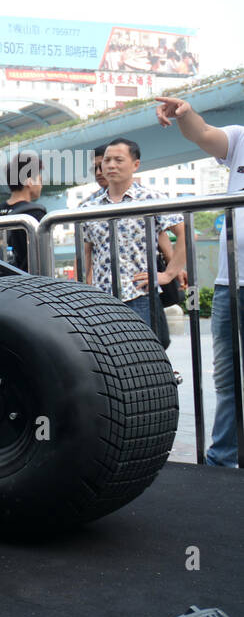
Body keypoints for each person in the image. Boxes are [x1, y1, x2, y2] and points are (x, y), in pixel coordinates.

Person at [155, 95, 244, 466]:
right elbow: (203, 133)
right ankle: (223, 459)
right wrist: (186, 114)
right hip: (231, 285)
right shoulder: (240, 139)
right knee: (228, 381)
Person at [81, 137, 187, 338]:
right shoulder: (88, 208)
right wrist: (88, 290)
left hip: (139, 293)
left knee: (146, 352)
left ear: (135, 165)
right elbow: (87, 253)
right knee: (110, 357)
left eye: (118, 160)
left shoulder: (151, 199)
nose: (111, 165)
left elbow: (184, 233)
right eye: (107, 160)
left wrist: (169, 274)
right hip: (101, 297)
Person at [0, 152, 46, 270]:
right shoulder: (36, 214)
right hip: (26, 284)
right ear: (29, 181)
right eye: (39, 178)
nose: (41, 184)